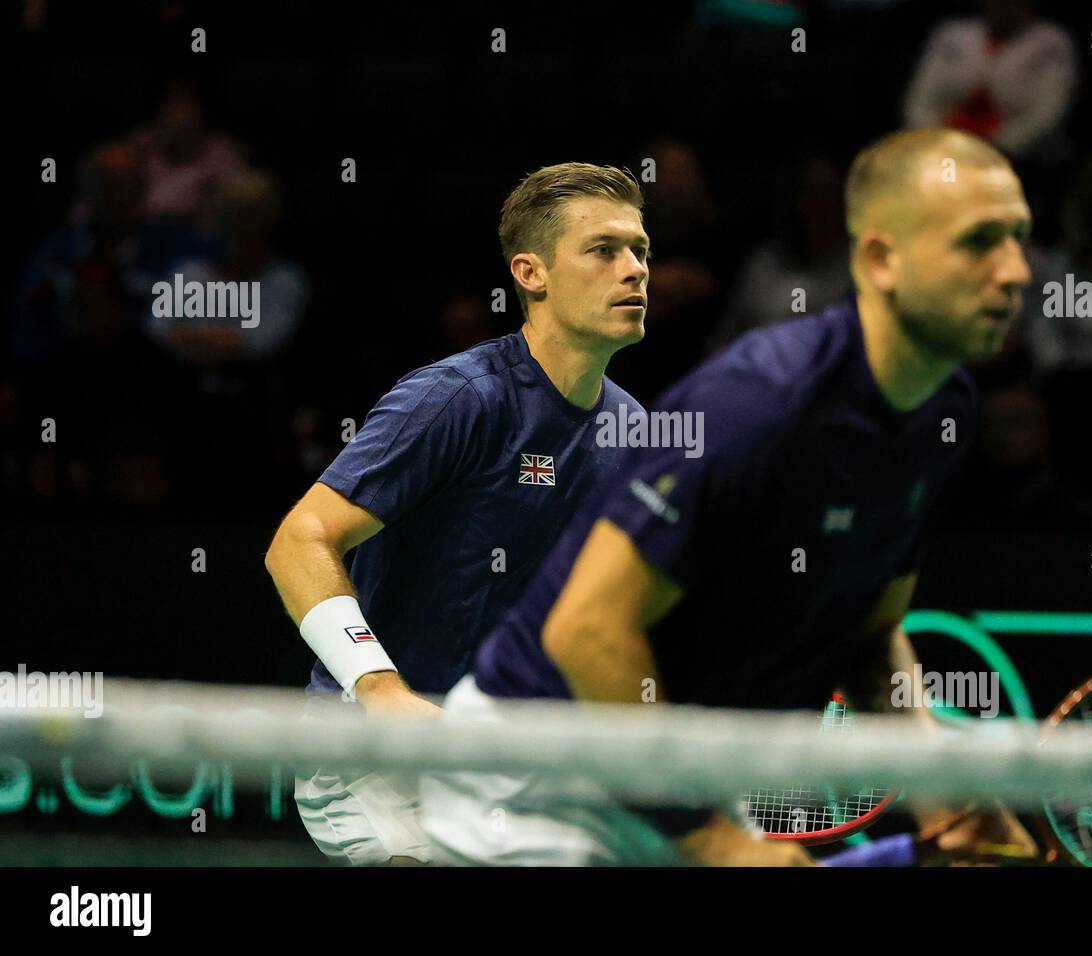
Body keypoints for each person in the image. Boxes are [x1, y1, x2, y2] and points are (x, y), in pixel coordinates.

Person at [420, 128, 1039, 865]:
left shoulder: (945, 412)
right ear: (881, 259)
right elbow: (586, 631)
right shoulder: (763, 402)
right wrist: (707, 836)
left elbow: (872, 642)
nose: (1016, 272)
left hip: (685, 780)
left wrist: (948, 796)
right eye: (979, 243)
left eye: (1020, 239)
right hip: (543, 780)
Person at [264, 163, 650, 864]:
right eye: (604, 250)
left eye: (641, 251)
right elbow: (299, 540)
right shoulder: (457, 398)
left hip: (517, 762)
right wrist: (381, 691)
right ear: (531, 274)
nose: (634, 270)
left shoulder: (631, 430)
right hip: (376, 755)